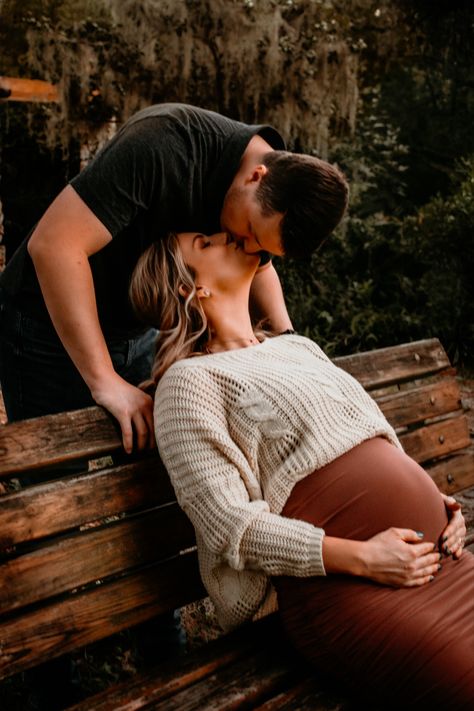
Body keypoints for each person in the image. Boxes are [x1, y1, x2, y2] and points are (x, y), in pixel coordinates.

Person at [128, 230, 473, 709]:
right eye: (204, 243)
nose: (224, 236)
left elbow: (371, 436)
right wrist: (364, 558)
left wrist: (441, 505)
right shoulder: (188, 384)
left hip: (441, 561)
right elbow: (232, 527)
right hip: (352, 588)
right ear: (191, 288)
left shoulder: (298, 348)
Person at [0, 103, 348, 453]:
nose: (247, 249)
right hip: (44, 327)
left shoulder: (273, 201)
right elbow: (54, 246)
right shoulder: (162, 144)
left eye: (262, 247)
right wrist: (104, 380)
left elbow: (262, 270)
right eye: (251, 234)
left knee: (157, 472)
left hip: (139, 333)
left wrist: (291, 348)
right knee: (56, 487)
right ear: (256, 176)